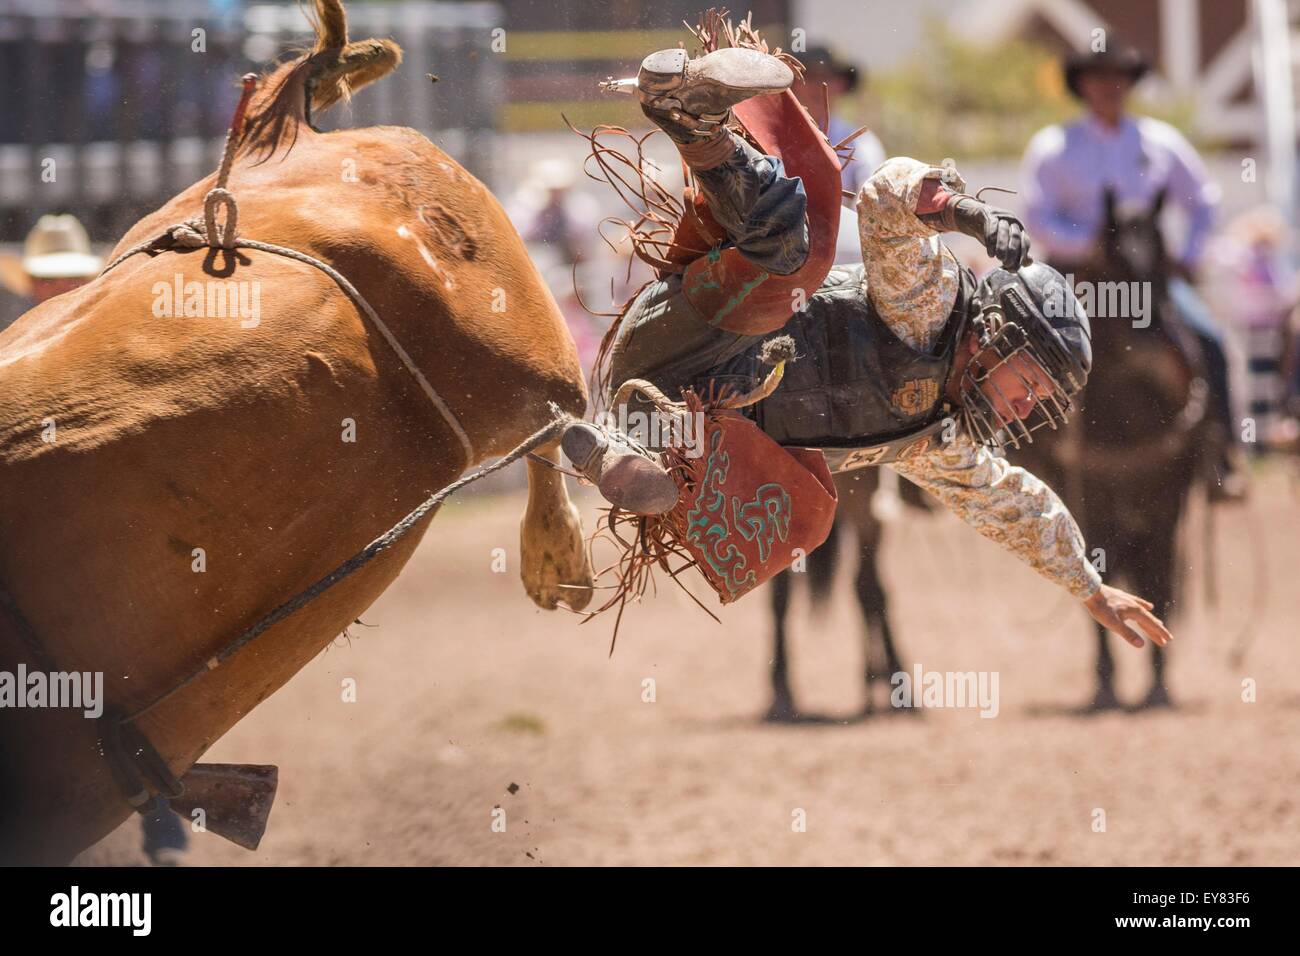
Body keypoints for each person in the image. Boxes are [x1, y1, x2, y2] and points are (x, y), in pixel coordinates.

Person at [561, 43, 1171, 650]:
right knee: (792, 251)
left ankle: (624, 440)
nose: (1025, 408)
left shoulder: (939, 438)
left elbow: (1020, 508)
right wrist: (965, 213)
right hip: (701, 326)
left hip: (677, 394)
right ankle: (697, 124)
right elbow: (883, 196)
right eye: (1030, 384)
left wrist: (1091, 589)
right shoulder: (930, 305)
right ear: (996, 336)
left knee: (804, 516)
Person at [5, 213, 191, 865]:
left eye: (71, 279)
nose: (60, 290)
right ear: (30, 283)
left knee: (135, 684)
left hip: (104, 550)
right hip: (32, 551)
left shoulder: (116, 352)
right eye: (51, 281)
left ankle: (164, 823)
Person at [1020, 44, 1244, 498]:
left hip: (1149, 278)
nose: (1108, 86)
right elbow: (1036, 215)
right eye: (1099, 76)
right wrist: (1088, 246)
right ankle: (1018, 452)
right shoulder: (1053, 146)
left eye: (1117, 76)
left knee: (1210, 341)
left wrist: (1188, 254)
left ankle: (1218, 455)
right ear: (1082, 85)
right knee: (1023, 340)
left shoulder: (1161, 141)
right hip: (1074, 276)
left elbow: (1203, 201)